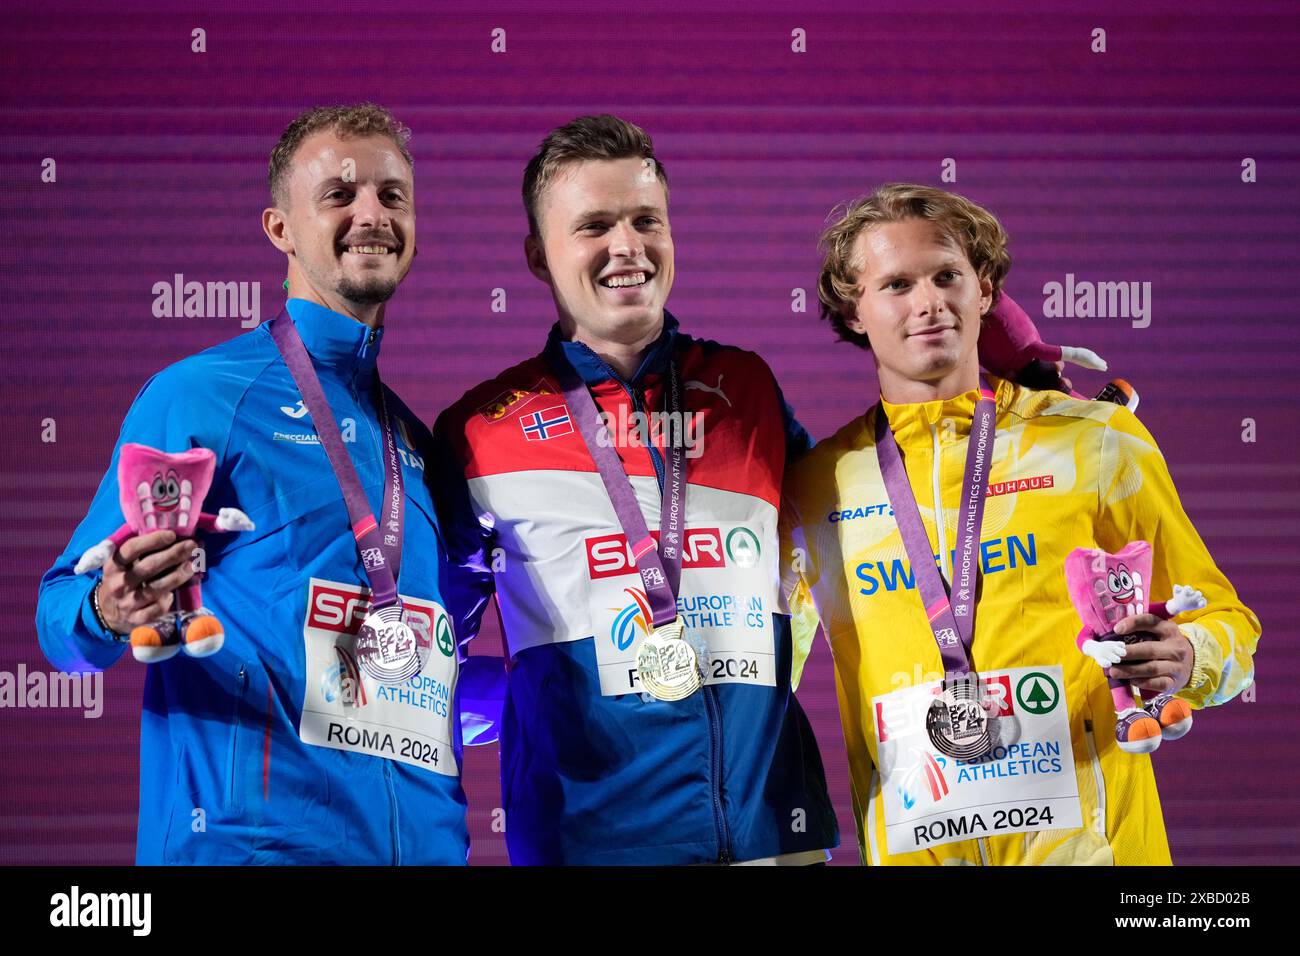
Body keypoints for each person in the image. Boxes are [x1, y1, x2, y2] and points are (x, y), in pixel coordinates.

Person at [36, 103, 473, 864]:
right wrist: (109, 609)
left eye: (391, 195)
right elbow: (59, 621)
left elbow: (429, 662)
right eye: (339, 195)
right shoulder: (203, 396)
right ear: (280, 229)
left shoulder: (415, 441)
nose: (371, 214)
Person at [780, 183, 1260, 865]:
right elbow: (763, 681)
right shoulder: (818, 486)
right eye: (896, 285)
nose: (928, 302)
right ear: (854, 311)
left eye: (947, 276)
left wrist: (1190, 656)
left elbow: (1227, 623)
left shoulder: (1095, 443)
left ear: (983, 290)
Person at [432, 115, 839, 865]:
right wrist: (535, 701)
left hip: (774, 838)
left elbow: (866, 513)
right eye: (594, 226)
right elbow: (430, 645)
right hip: (589, 846)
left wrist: (1010, 371)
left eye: (646, 220)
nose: (628, 246)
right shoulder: (482, 431)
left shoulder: (746, 387)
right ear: (537, 255)